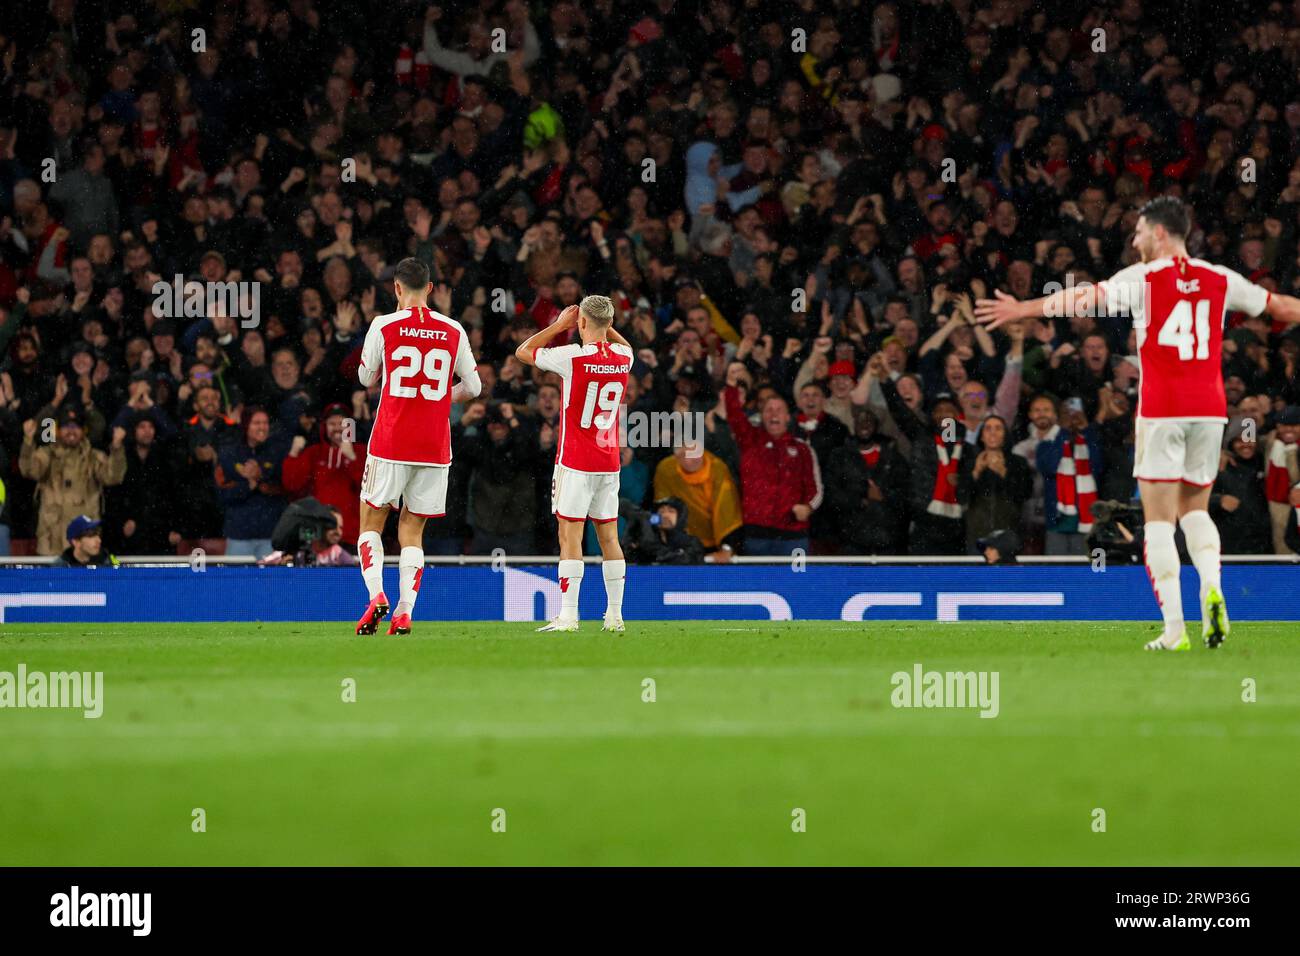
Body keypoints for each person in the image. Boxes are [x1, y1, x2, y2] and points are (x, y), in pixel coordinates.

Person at [978, 196, 1300, 650]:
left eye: (1140, 231)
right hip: (1209, 410)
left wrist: (1023, 310)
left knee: (1159, 522)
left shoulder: (1144, 279)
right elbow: (1281, 306)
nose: (1134, 239)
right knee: (1196, 511)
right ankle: (1213, 587)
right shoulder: (1219, 278)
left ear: (1161, 234)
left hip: (1164, 408)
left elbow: (1082, 298)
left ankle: (1174, 630)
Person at [355, 257, 481, 636]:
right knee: (412, 531)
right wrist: (443, 397)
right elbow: (474, 388)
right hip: (433, 445)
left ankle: (377, 595)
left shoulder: (384, 325)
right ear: (430, 289)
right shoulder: (453, 328)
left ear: (396, 288)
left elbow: (364, 377)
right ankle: (405, 612)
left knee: (371, 523)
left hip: (391, 441)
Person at [516, 295, 632, 632]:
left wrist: (558, 326)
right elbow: (622, 342)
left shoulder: (573, 357)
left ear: (581, 322)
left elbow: (523, 351)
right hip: (608, 462)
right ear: (610, 324)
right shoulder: (624, 357)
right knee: (609, 536)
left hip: (576, 461)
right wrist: (605, 326)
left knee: (570, 535)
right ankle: (615, 616)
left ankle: (568, 616)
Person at [19, 404, 127, 555]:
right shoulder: (46, 454)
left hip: (84, 544)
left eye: (76, 426)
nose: (71, 430)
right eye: (66, 426)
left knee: (86, 578)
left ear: (84, 431)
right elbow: (30, 471)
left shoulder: (93, 457)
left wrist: (116, 448)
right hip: (51, 543)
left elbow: (113, 477)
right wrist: (28, 442)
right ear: (57, 430)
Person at [54, 514, 120, 567]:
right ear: (76, 542)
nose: (99, 540)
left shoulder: (110, 561)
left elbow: (122, 580)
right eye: (91, 535)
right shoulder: (60, 567)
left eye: (98, 535)